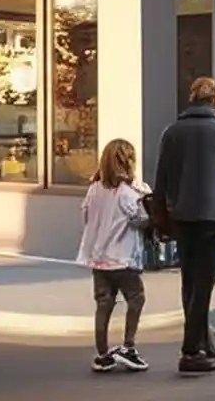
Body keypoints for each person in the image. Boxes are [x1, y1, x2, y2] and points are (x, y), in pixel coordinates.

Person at [155, 77, 215, 375]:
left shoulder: (172, 132)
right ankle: (190, 350)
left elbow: (161, 179)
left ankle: (203, 342)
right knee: (204, 283)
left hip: (184, 216)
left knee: (191, 282)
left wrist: (160, 217)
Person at [77, 138, 151, 373]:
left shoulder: (94, 189)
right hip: (122, 258)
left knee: (103, 303)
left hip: (98, 257)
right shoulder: (127, 193)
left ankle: (102, 354)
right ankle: (128, 347)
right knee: (136, 298)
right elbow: (139, 220)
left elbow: (86, 217)